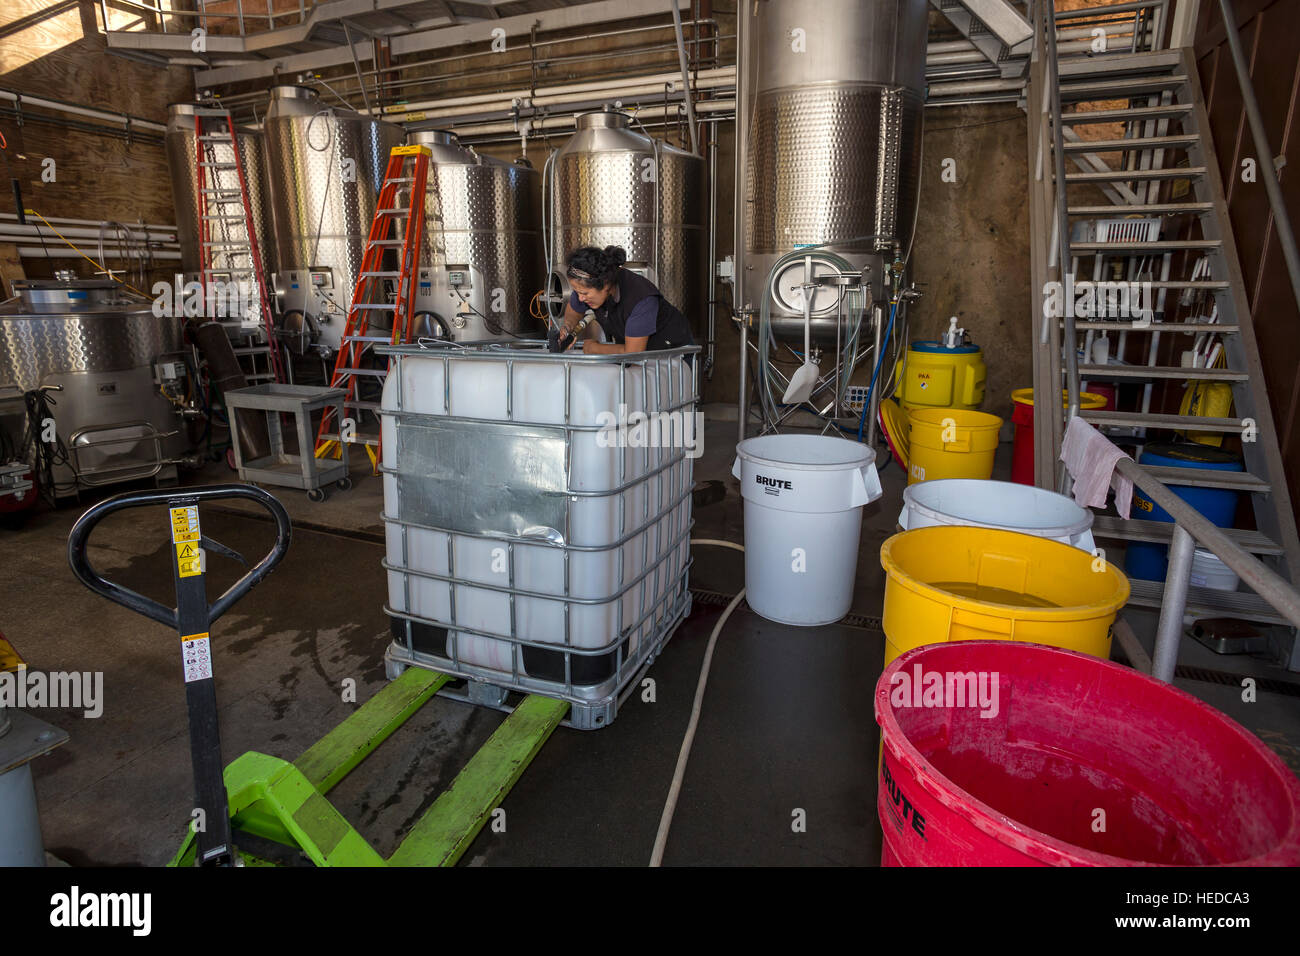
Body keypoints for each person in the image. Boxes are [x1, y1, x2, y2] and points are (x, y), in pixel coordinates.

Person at [555, 245, 694, 355]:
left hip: (672, 356)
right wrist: (568, 327)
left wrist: (595, 349)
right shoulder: (587, 287)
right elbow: (574, 310)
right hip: (642, 358)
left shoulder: (641, 299)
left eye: (584, 293)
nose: (580, 298)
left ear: (606, 284)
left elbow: (633, 353)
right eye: (577, 292)